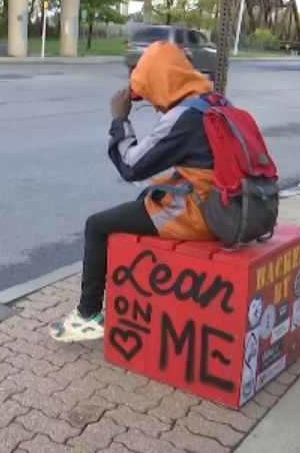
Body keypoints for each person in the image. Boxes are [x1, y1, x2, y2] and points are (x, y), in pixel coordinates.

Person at [49, 41, 217, 342]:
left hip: (205, 212)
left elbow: (131, 166)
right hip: (233, 202)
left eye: (150, 94)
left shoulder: (184, 116)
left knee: (97, 225)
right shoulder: (210, 102)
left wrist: (119, 118)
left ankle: (87, 316)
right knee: (146, 197)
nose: (153, 104)